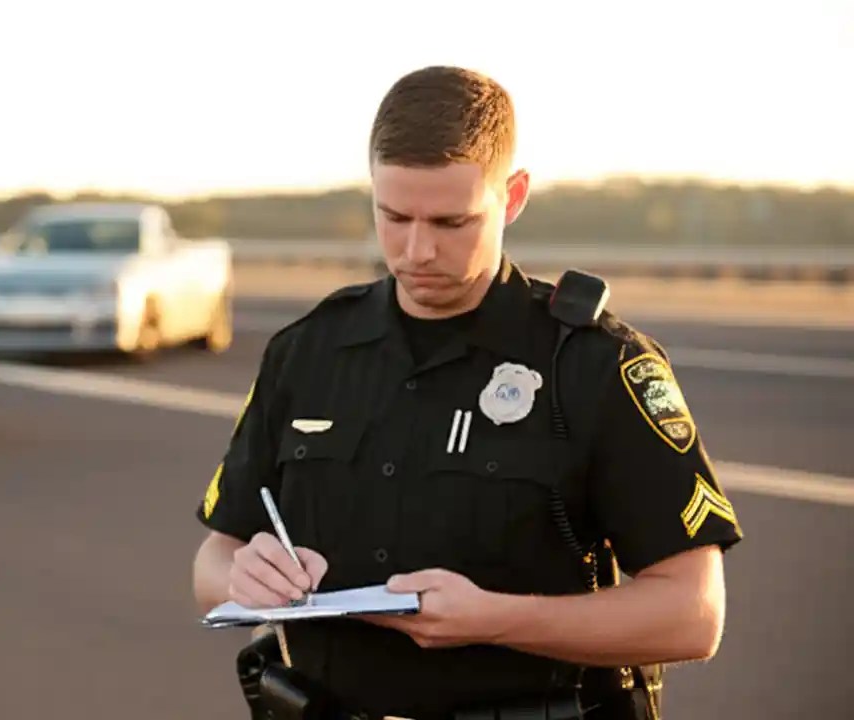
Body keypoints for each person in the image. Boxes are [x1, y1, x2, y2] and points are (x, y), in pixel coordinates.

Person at [191, 65, 743, 720]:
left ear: (512, 197)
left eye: (452, 222)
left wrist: (499, 620)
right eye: (393, 216)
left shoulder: (596, 367)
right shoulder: (307, 351)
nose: (417, 250)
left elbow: (692, 614)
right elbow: (213, 558)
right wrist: (242, 577)